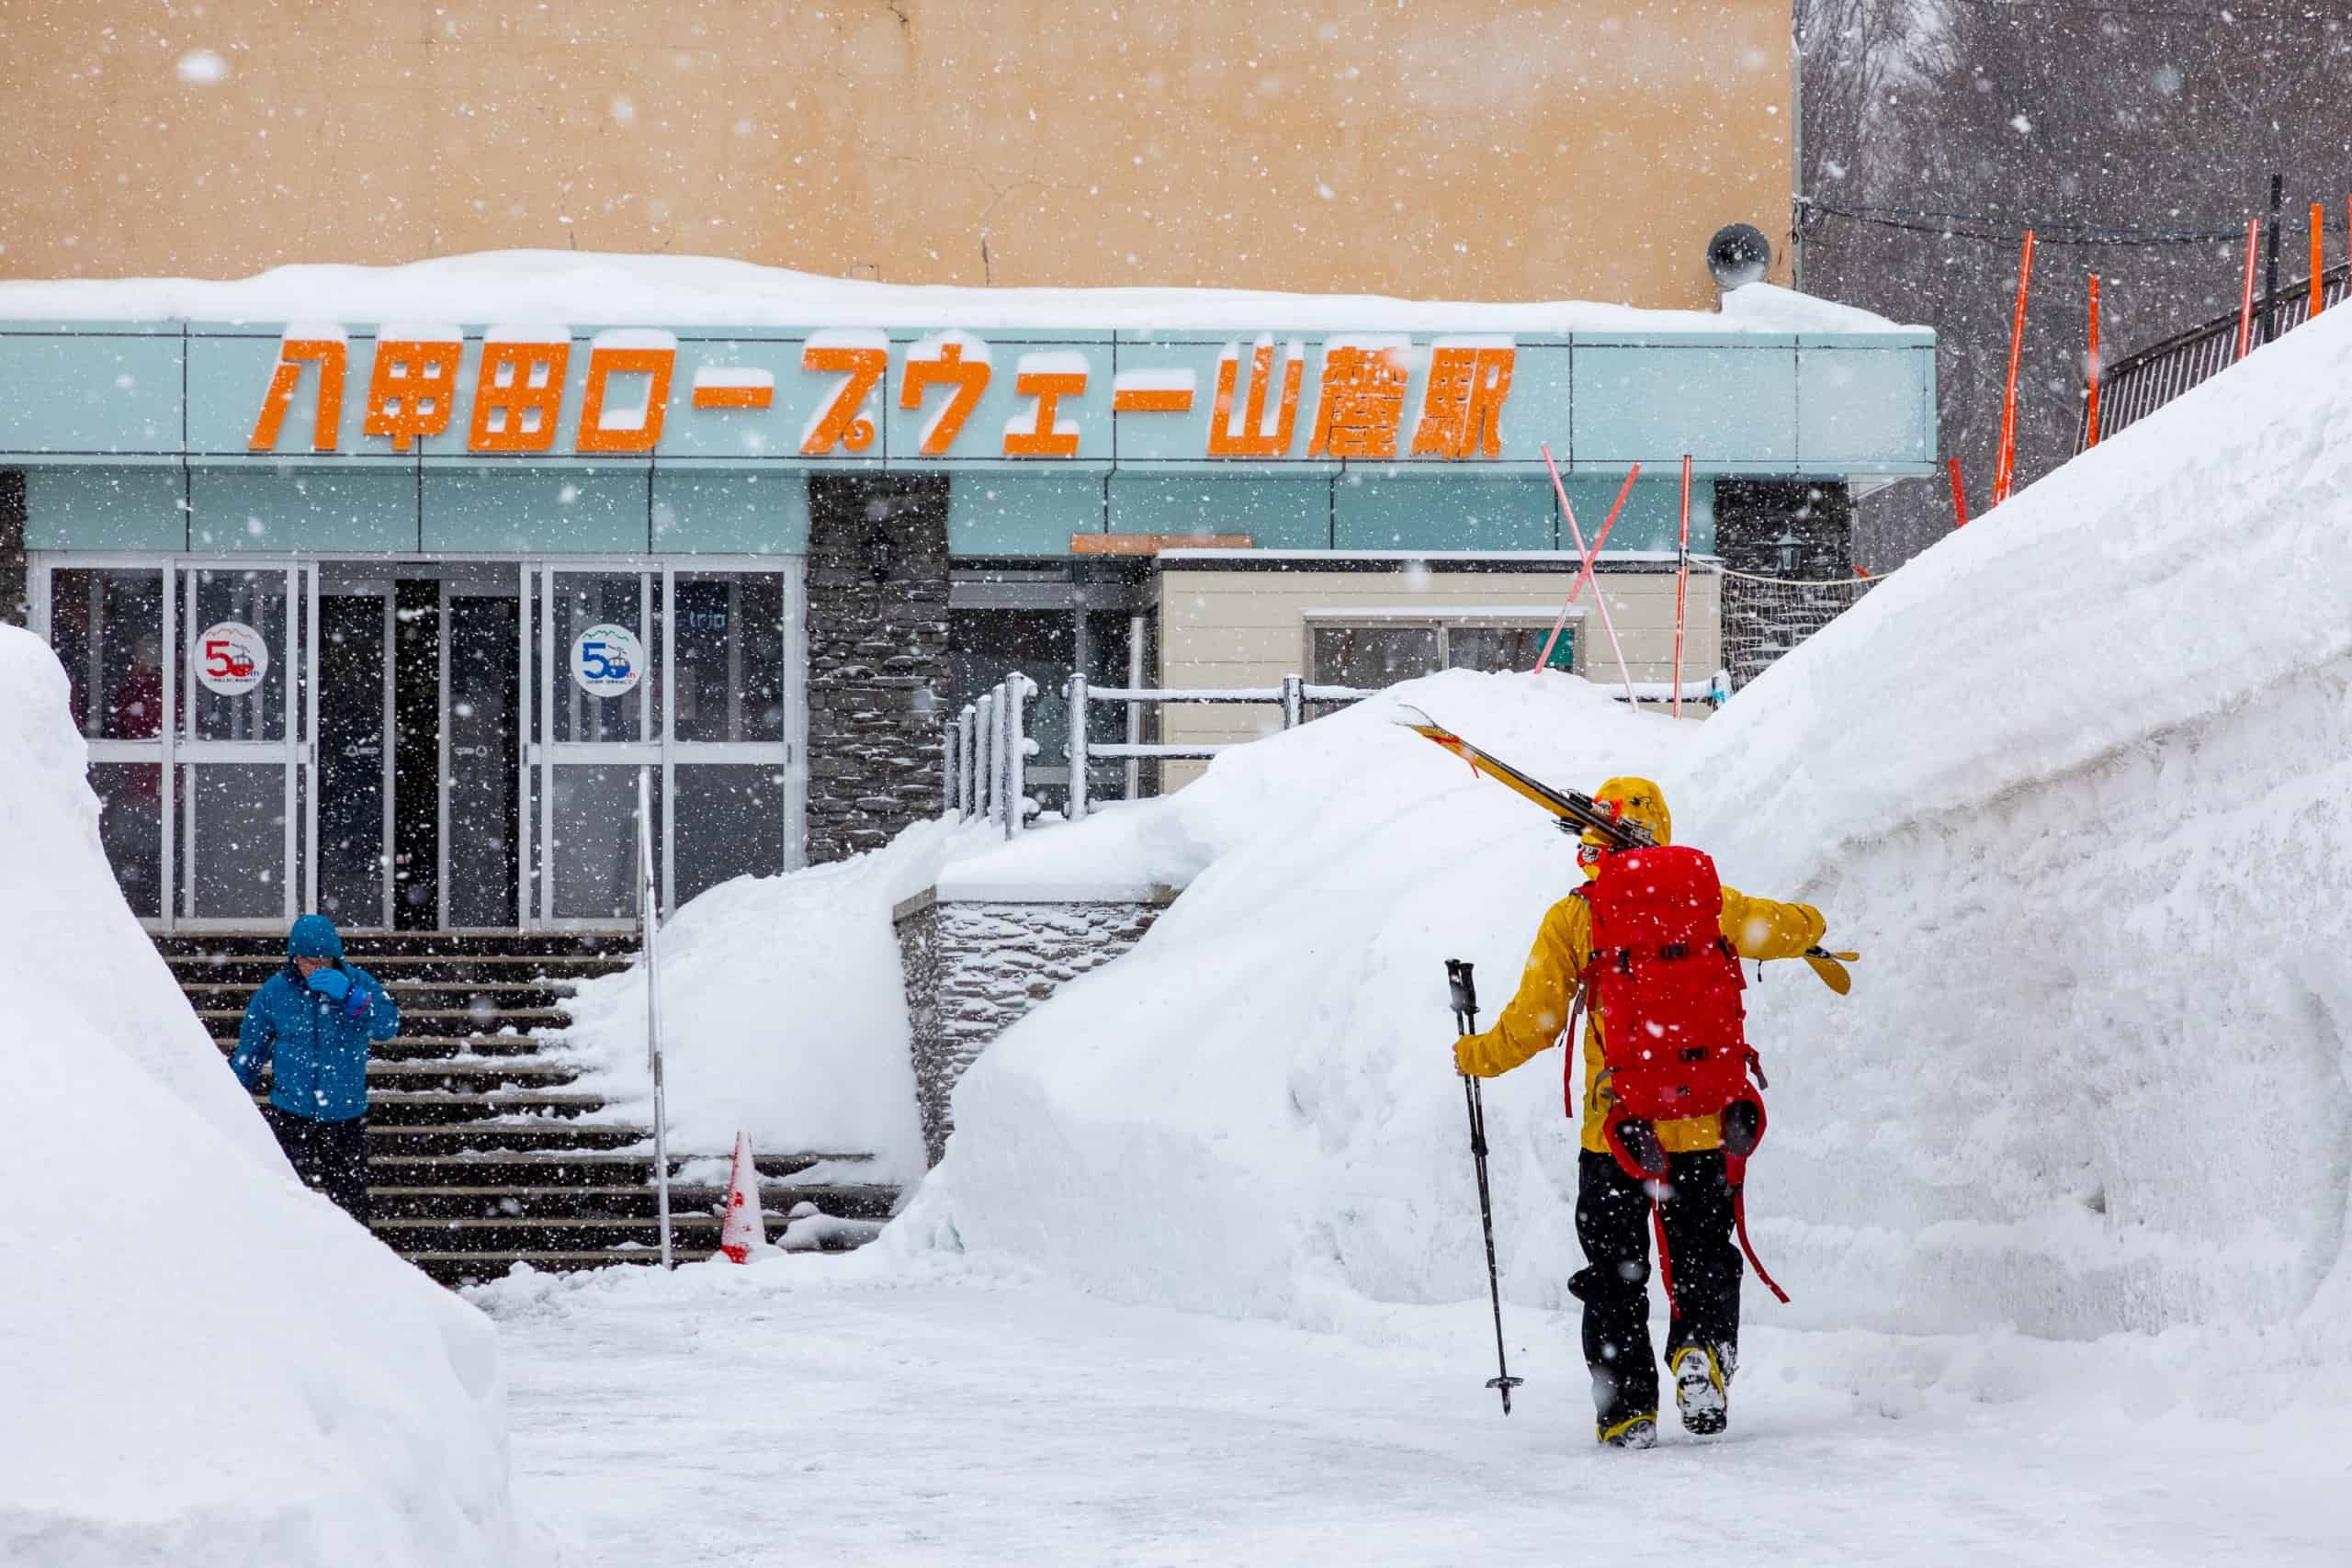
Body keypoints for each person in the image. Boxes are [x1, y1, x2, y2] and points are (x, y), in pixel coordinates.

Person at [1451, 777, 1828, 1450]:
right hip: (1705, 1126)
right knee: (1705, 1252)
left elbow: (1536, 1022)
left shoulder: (1578, 915)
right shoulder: (1707, 904)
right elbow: (1779, 929)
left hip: (1617, 1132)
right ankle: (1702, 1351)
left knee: (1616, 1272)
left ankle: (1626, 1408)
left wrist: (1476, 1054)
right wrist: (1813, 925)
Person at [229, 914, 399, 1225]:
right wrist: (231, 1096)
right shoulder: (275, 992)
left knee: (351, 1209)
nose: (315, 969)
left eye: (322, 961)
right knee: (285, 1205)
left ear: (336, 958)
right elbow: (251, 1051)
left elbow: (388, 1025)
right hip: (291, 1115)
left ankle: (352, 1268)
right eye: (307, 961)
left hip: (345, 1116)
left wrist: (351, 997)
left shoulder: (359, 983)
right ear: (294, 959)